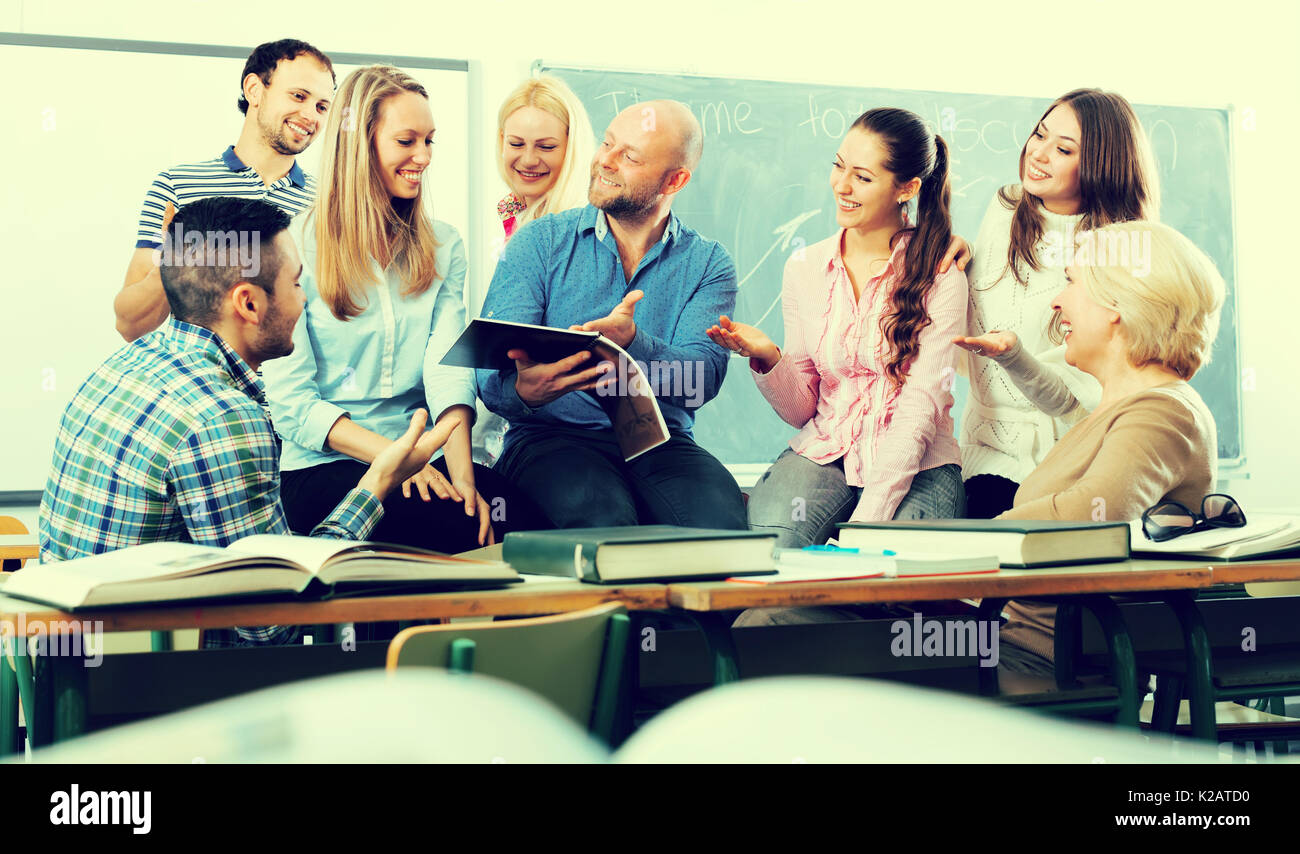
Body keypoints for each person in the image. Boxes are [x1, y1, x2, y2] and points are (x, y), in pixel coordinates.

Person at [40, 197, 447, 646]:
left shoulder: (120, 368)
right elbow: (272, 625)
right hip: (153, 692)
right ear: (249, 303)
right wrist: (377, 484)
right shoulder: (222, 418)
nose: (305, 298)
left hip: (59, 676)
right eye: (295, 284)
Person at [263, 65, 542, 554]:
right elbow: (293, 406)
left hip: (426, 454)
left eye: (430, 141)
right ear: (359, 146)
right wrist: (401, 459)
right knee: (451, 531)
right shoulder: (291, 246)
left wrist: (459, 471)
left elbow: (448, 368)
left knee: (525, 528)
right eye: (407, 141)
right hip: (328, 466)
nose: (423, 157)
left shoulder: (444, 245)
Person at [474, 100, 747, 530]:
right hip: (552, 439)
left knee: (720, 522)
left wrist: (633, 343)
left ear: (675, 180)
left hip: (661, 441)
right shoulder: (538, 244)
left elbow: (701, 381)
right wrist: (525, 392)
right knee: (601, 520)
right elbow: (492, 378)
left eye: (629, 156)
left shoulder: (708, 263)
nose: (604, 161)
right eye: (607, 144)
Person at [708, 108, 967, 548]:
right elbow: (801, 409)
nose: (841, 186)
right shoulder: (805, 268)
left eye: (863, 177)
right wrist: (769, 358)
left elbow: (920, 409)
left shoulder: (942, 273)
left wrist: (867, 525)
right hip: (827, 450)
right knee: (771, 555)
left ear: (907, 188)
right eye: (838, 165)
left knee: (887, 577)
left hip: (919, 463)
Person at [972, 220, 1223, 675]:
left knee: (823, 633)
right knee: (824, 628)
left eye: (1071, 281)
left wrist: (952, 547)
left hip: (1045, 664)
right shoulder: (1118, 413)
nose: (1057, 301)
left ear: (1115, 305)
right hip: (1012, 644)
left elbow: (1090, 513)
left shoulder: (1163, 413)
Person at [955, 89, 1160, 518]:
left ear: (1101, 167)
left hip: (1057, 464)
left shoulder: (1113, 255)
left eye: (1064, 149)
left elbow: (1075, 404)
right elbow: (994, 295)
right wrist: (962, 253)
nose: (1039, 154)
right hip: (976, 451)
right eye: (1040, 135)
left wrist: (1013, 356)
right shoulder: (1006, 205)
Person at [114, 39, 336, 341]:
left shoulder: (328, 203)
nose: (311, 116)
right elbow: (130, 326)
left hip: (294, 387)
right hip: (202, 385)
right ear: (254, 90)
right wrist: (174, 263)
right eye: (298, 96)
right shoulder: (178, 186)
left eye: (322, 106)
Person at [475, 75, 597, 465]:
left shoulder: (576, 231)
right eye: (516, 144)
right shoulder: (513, 215)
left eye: (546, 146)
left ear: (573, 150)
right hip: (512, 423)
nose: (528, 160)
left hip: (563, 437)